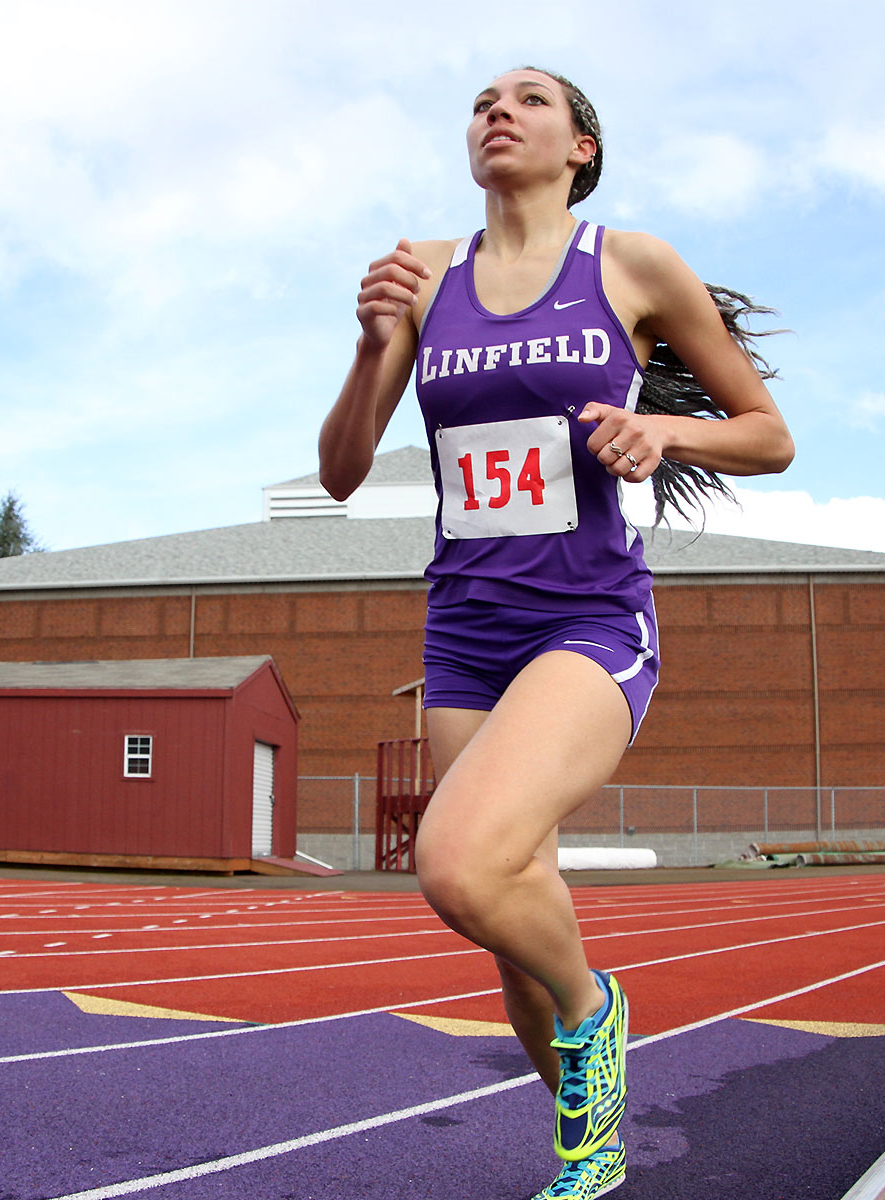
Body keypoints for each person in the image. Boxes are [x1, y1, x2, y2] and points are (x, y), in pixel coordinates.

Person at [317, 67, 794, 1198]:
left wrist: (661, 430)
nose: (497, 110)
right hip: (465, 630)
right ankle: (593, 1143)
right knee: (506, 911)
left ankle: (600, 1009)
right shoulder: (425, 275)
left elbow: (769, 435)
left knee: (456, 861)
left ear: (581, 146)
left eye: (529, 99)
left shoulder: (627, 264)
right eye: (483, 98)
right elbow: (340, 473)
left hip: (589, 619)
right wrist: (372, 339)